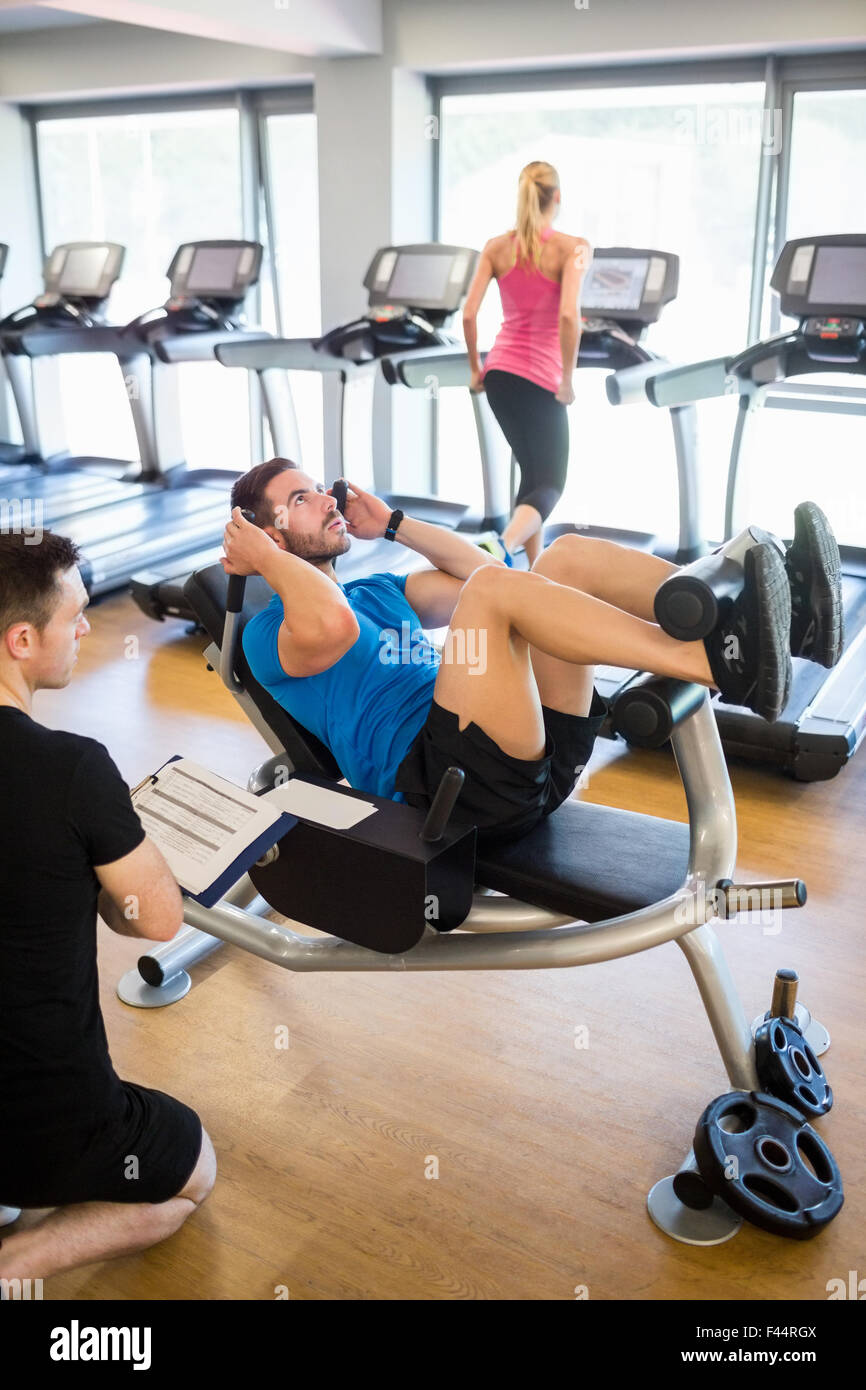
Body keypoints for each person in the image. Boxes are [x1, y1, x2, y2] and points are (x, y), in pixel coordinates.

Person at [225, 460, 843, 846]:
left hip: (526, 757)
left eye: (318, 488)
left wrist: (394, 525)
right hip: (444, 794)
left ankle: (788, 630)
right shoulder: (267, 633)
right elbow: (331, 624)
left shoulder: (378, 592)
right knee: (497, 594)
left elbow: (483, 570)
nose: (329, 499)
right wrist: (266, 559)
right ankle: (720, 666)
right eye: (302, 499)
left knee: (563, 556)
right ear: (268, 536)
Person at [0, 530, 215, 1287]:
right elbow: (154, 922)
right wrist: (103, 857)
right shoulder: (71, 768)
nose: (89, 630)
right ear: (22, 640)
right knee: (193, 1171)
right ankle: (14, 1261)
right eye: (77, 616)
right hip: (45, 1121)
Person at [462, 160, 590, 566]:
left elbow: (468, 314)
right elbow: (570, 316)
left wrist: (474, 369)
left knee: (531, 473)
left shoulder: (496, 247)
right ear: (557, 197)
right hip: (540, 379)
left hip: (499, 375)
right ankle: (501, 545)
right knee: (551, 481)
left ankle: (532, 573)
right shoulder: (575, 248)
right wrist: (566, 380)